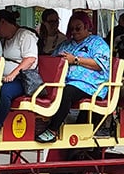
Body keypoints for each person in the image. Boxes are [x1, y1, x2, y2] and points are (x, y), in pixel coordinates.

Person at [36, 11, 110, 143]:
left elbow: (100, 64)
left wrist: (75, 60)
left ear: (87, 27)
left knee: (67, 92)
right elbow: (53, 60)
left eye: (78, 28)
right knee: (43, 89)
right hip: (65, 81)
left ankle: (53, 130)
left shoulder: (97, 43)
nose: (74, 31)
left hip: (90, 86)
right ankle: (38, 123)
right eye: (72, 29)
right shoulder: (66, 44)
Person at [0, 9, 38, 142]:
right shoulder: (4, 40)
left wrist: (13, 74)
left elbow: (30, 59)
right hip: (3, 78)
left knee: (4, 93)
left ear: (3, 22)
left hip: (23, 79)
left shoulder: (25, 35)